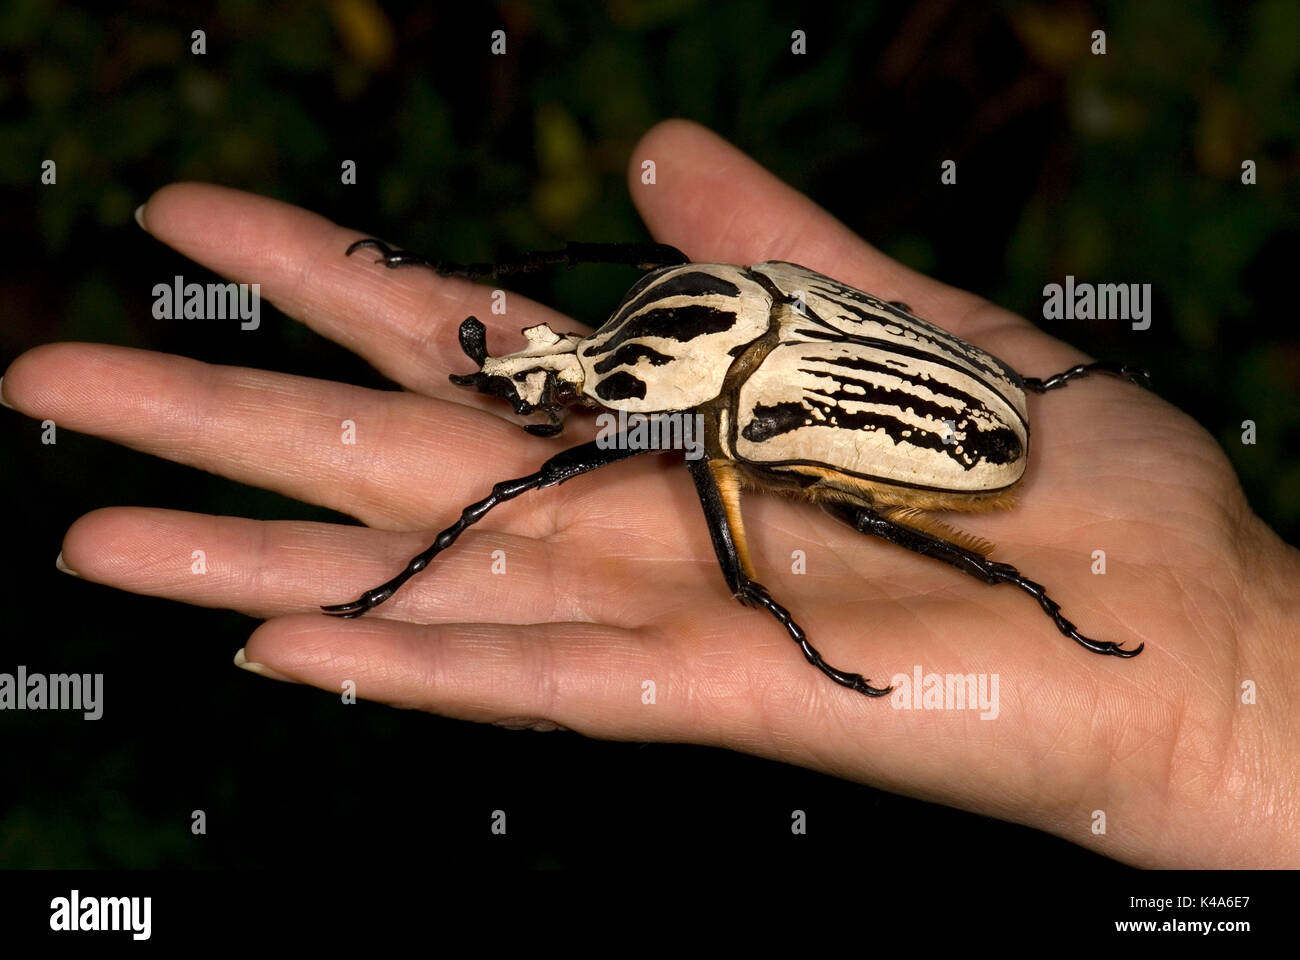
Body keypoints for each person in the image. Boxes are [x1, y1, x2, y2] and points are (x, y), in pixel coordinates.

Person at [5, 120, 1296, 867]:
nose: (563, 385)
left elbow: (668, 427)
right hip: (896, 364)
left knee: (821, 532)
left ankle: (1020, 592)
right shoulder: (710, 330)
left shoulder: (730, 414)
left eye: (593, 384)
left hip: (961, 432)